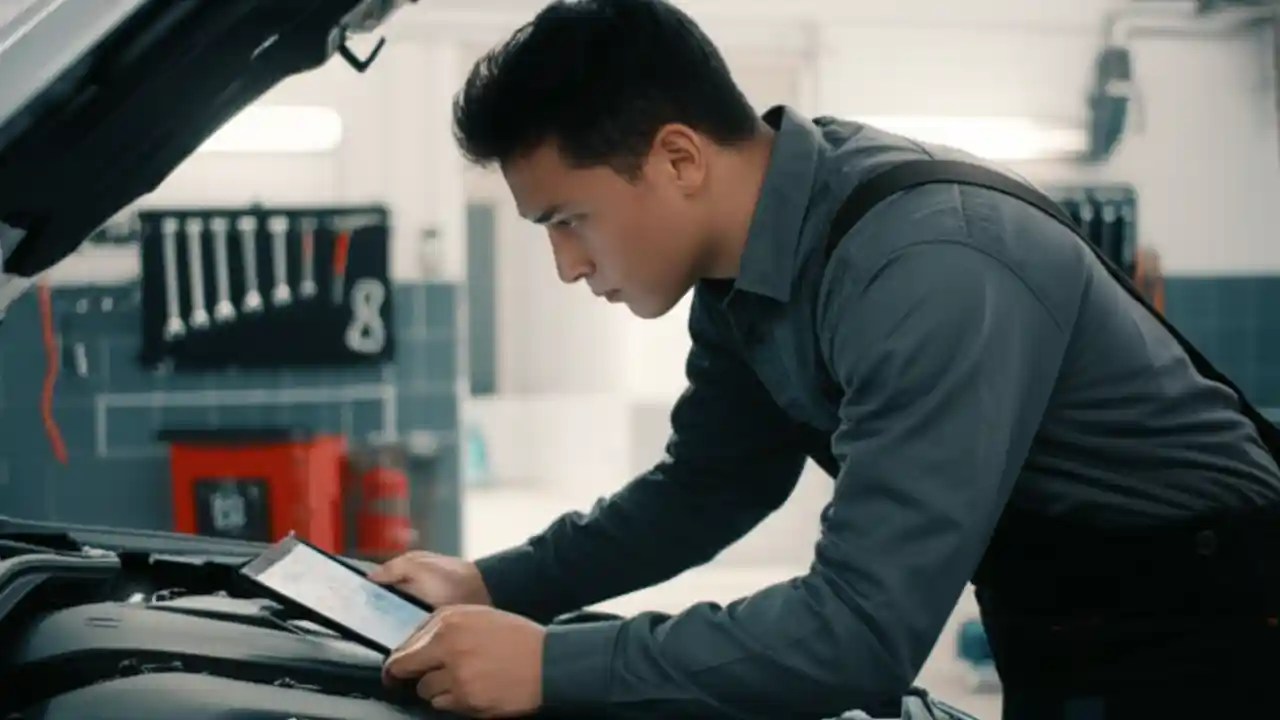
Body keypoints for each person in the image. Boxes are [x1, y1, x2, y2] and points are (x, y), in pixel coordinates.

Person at [373, 1, 1280, 718]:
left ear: (679, 159)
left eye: (568, 221)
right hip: (1076, 618)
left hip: (1227, 629)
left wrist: (551, 666)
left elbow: (860, 630)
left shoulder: (925, 268)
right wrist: (497, 583)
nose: (567, 266)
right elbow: (709, 487)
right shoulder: (747, 270)